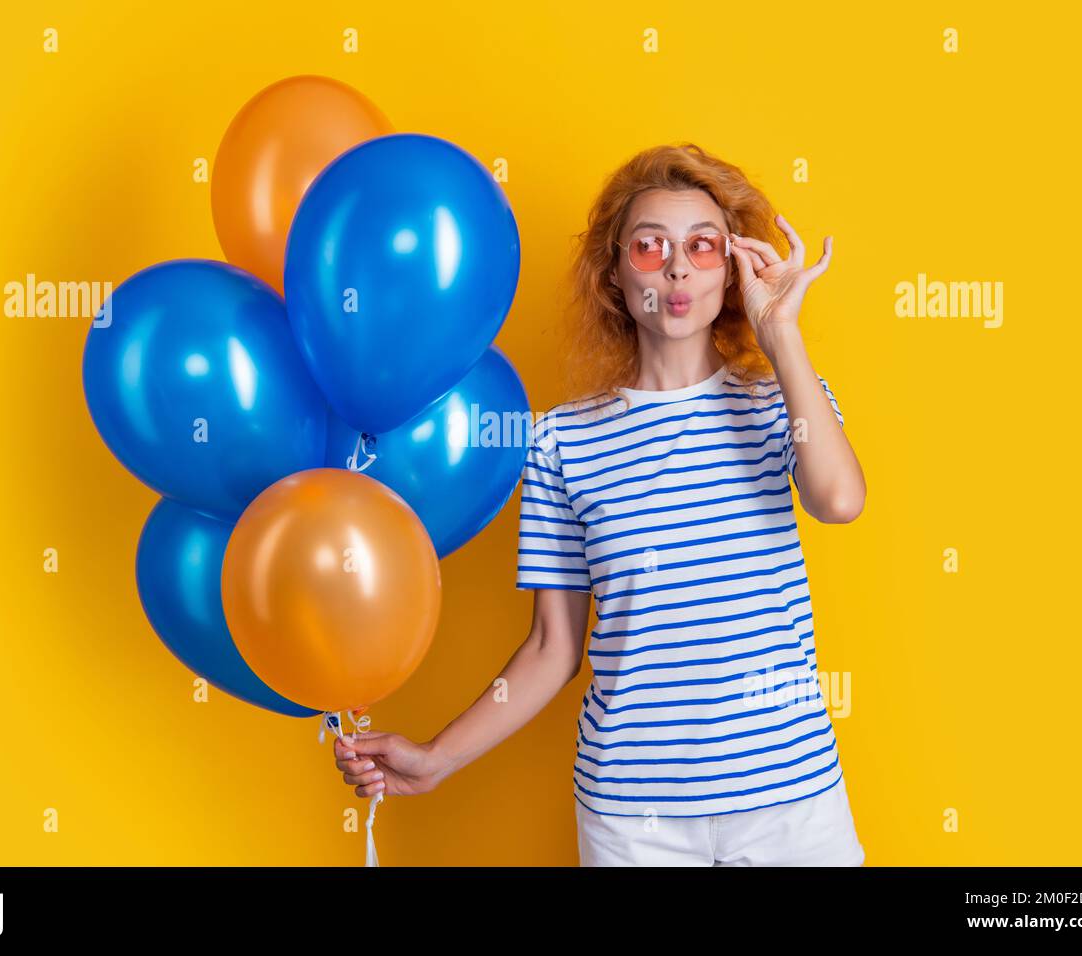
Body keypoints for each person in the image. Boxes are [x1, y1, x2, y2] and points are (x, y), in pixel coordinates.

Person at [332, 143, 867, 866]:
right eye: (650, 247)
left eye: (702, 247)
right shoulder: (559, 442)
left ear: (733, 268)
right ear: (615, 274)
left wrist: (783, 336)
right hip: (632, 819)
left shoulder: (780, 399)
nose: (677, 268)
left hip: (790, 805)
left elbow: (838, 500)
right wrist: (437, 757)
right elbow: (554, 649)